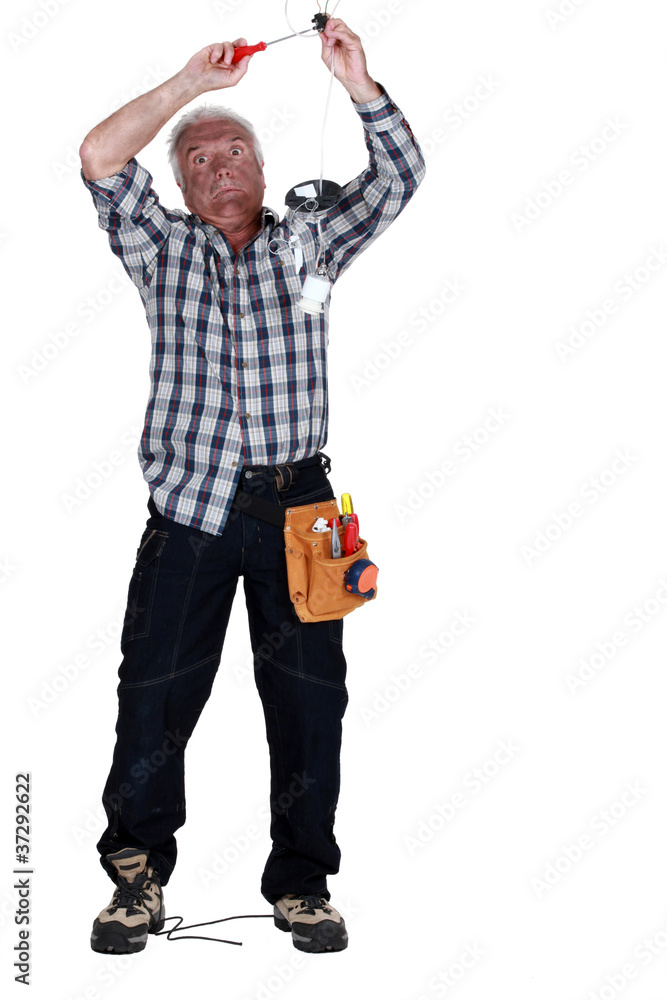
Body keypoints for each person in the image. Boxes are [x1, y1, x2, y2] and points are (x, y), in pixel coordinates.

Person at [79, 16, 425, 956]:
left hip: (300, 511)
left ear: (263, 172)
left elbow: (398, 179)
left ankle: (303, 882)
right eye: (198, 157)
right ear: (185, 183)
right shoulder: (161, 249)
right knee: (152, 695)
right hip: (187, 513)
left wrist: (357, 82)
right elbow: (100, 156)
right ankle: (136, 877)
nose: (218, 163)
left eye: (236, 151)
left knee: (312, 698)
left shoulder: (311, 240)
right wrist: (188, 86)